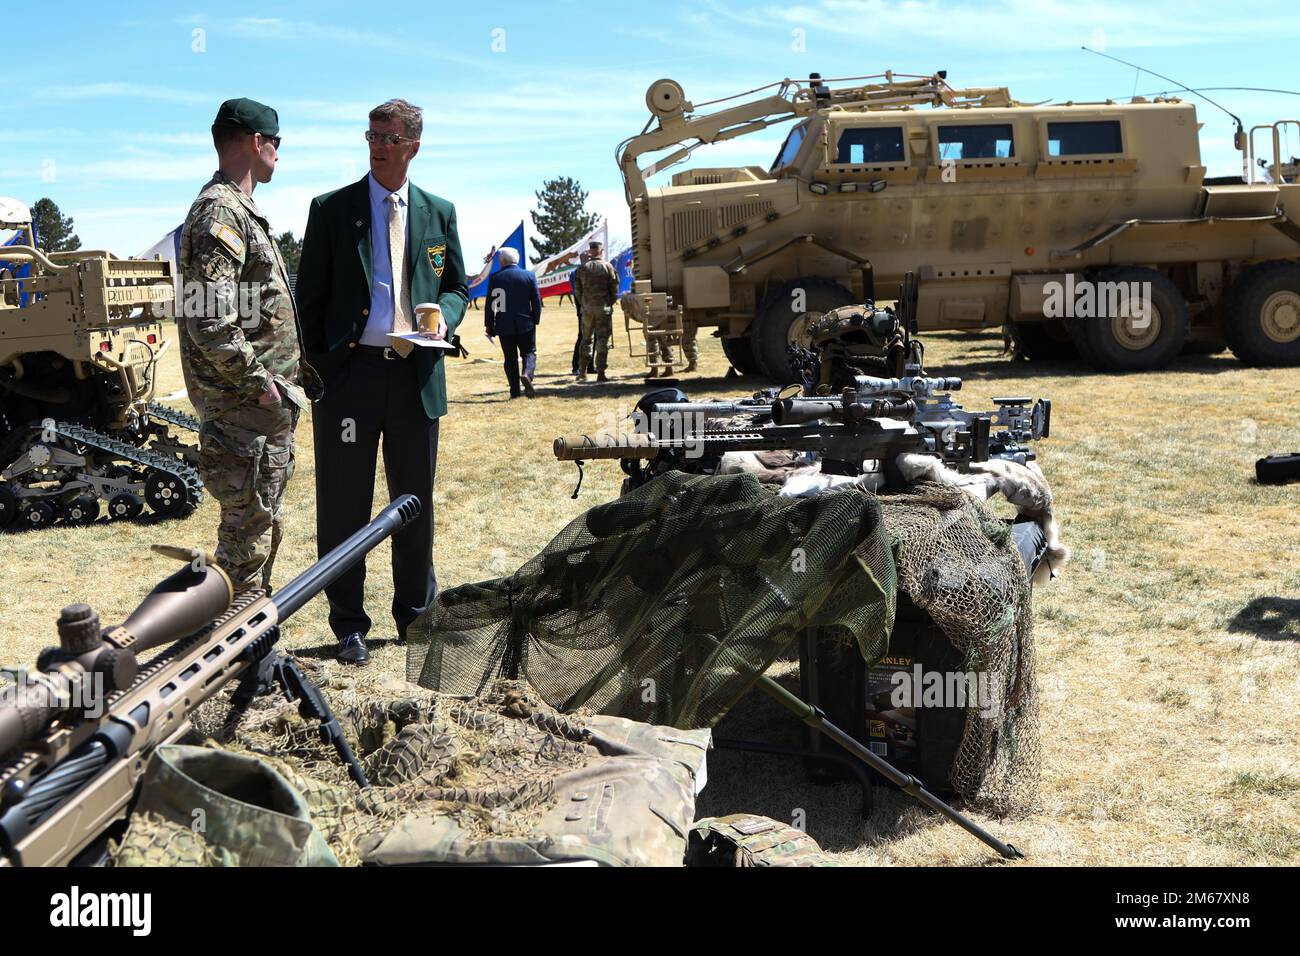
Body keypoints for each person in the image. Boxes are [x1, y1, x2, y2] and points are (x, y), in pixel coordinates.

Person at [295, 98, 468, 666]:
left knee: (414, 501)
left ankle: (416, 617)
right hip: (351, 379)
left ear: (413, 146)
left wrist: (444, 313)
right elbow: (310, 299)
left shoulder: (439, 211)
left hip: (416, 377)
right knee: (344, 507)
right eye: (371, 135)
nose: (376, 145)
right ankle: (348, 624)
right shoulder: (331, 209)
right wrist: (322, 368)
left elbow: (457, 287)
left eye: (388, 138)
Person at [178, 97, 319, 593]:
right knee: (245, 540)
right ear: (257, 143)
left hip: (258, 410)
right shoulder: (219, 213)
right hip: (244, 409)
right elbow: (208, 320)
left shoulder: (239, 209)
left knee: (261, 527)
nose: (279, 154)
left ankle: (254, 644)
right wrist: (261, 386)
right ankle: (232, 650)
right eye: (276, 143)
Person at [484, 247, 541, 398]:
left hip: (503, 324)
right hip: (525, 323)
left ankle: (515, 392)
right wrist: (536, 319)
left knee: (510, 358)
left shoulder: (495, 278)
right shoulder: (529, 276)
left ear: (502, 261)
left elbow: (491, 304)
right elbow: (536, 301)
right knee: (529, 352)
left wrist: (489, 325)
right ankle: (527, 374)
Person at [571, 240, 618, 382]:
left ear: (591, 251)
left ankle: (582, 372)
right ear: (601, 251)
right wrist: (610, 302)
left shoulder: (582, 268)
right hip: (603, 309)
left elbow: (577, 290)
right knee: (602, 341)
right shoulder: (608, 267)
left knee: (586, 340)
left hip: (587, 310)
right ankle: (601, 373)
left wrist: (584, 303)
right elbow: (614, 288)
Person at [570, 250, 593, 375]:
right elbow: (577, 292)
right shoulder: (575, 273)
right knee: (582, 336)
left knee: (593, 337)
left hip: (593, 306)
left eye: (590, 257)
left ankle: (591, 366)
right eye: (587, 257)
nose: (589, 259)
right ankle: (576, 366)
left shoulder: (593, 272)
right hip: (582, 307)